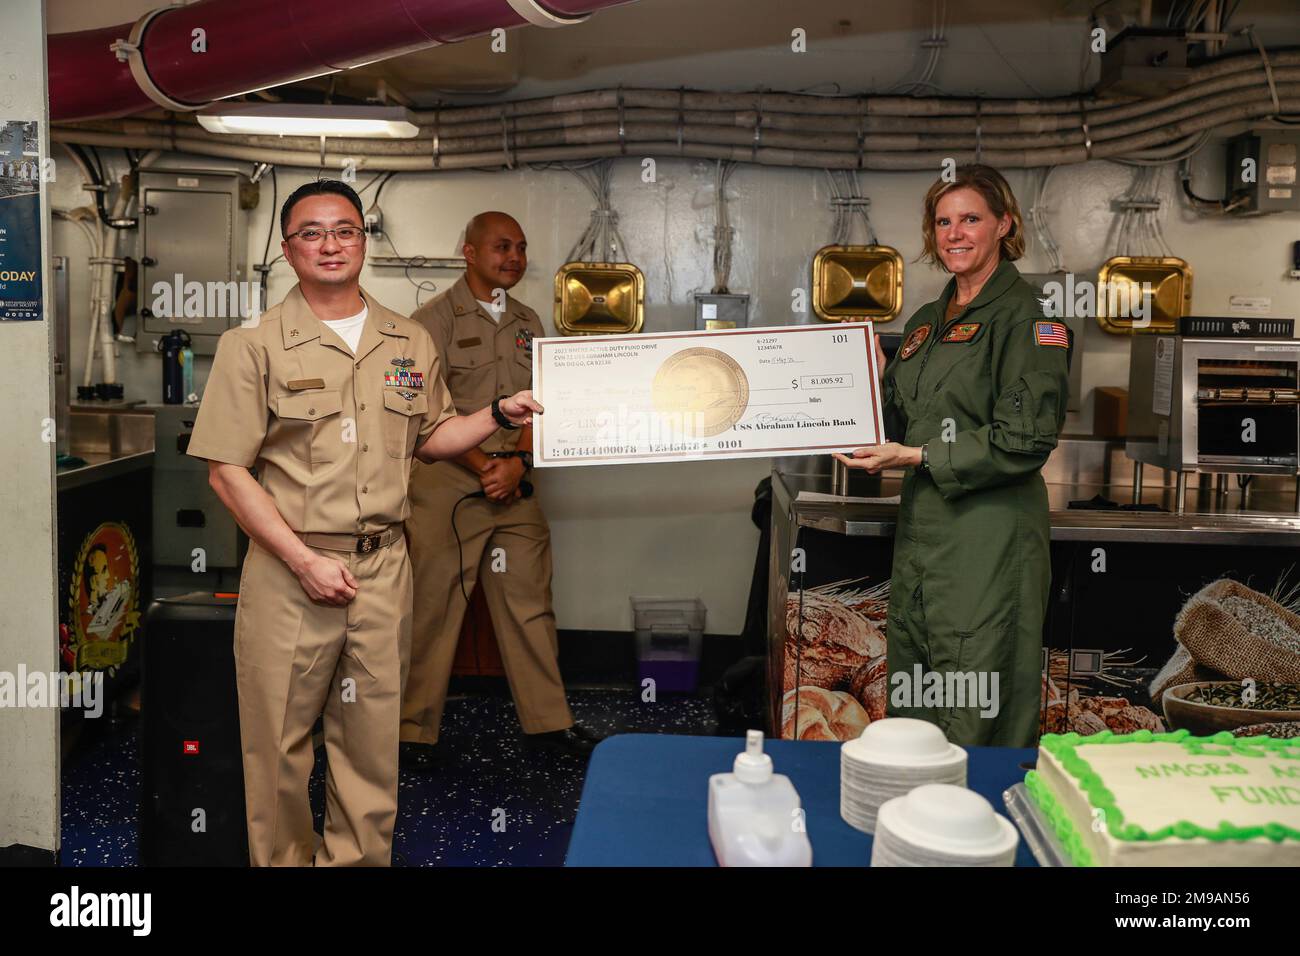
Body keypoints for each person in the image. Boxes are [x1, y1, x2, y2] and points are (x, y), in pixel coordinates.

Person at [186, 181, 541, 866]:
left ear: (363, 242)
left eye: (344, 230)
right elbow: (226, 471)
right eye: (312, 232)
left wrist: (500, 412)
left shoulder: (406, 339)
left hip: (382, 568)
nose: (330, 244)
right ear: (288, 250)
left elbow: (433, 434)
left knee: (371, 743)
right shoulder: (253, 344)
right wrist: (302, 561)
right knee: (279, 747)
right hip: (293, 568)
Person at [834, 164, 1069, 747]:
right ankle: (919, 820)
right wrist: (867, 385)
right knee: (916, 679)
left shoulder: (1026, 319)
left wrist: (915, 456)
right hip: (924, 533)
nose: (954, 233)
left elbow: (1024, 440)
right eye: (943, 221)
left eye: (970, 219)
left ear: (1003, 225)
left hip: (987, 535)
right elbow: (900, 419)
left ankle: (982, 820)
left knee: (977, 686)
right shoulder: (924, 322)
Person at [399, 211, 603, 768]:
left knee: (530, 605)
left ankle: (547, 725)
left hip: (515, 485)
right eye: (501, 246)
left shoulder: (529, 321)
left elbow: (545, 398)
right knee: (432, 610)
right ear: (468, 252)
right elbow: (418, 409)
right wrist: (485, 461)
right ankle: (410, 733)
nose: (514, 257)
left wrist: (514, 461)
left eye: (521, 247)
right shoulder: (427, 322)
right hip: (447, 488)